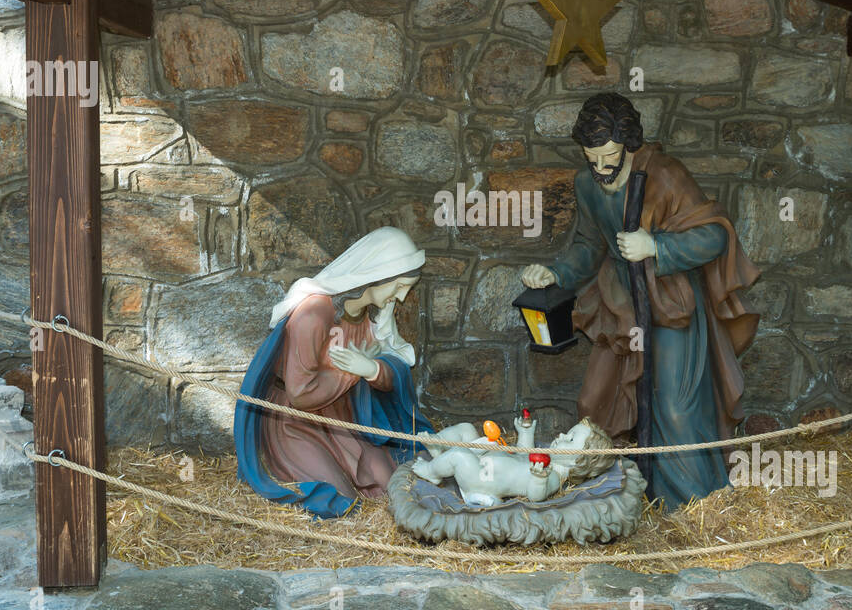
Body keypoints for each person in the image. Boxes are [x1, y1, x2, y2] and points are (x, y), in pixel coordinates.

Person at [521, 92, 760, 510]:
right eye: (591, 158)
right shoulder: (587, 185)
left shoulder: (665, 175)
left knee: (676, 410)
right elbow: (587, 245)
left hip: (672, 308)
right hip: (623, 308)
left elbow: (715, 235)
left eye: (610, 156)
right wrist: (557, 273)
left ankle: (696, 508)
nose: (600, 168)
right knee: (597, 401)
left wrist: (657, 246)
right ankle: (627, 497)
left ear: (629, 144)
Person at [234, 226, 431, 518]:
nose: (401, 298)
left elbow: (392, 370)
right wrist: (352, 373)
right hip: (296, 423)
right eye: (399, 286)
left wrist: (372, 368)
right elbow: (300, 394)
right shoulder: (315, 312)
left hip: (342, 420)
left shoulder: (369, 317)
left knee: (395, 484)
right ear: (377, 276)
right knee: (341, 503)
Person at [411, 417, 615, 506]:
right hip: (484, 460)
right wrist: (526, 433)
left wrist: (538, 479)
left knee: (458, 456)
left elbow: (536, 497)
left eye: (570, 439)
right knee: (466, 429)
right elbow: (522, 454)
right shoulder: (545, 458)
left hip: (481, 479)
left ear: (578, 461)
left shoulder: (552, 475)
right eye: (568, 432)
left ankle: (432, 471)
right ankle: (438, 445)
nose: (562, 434)